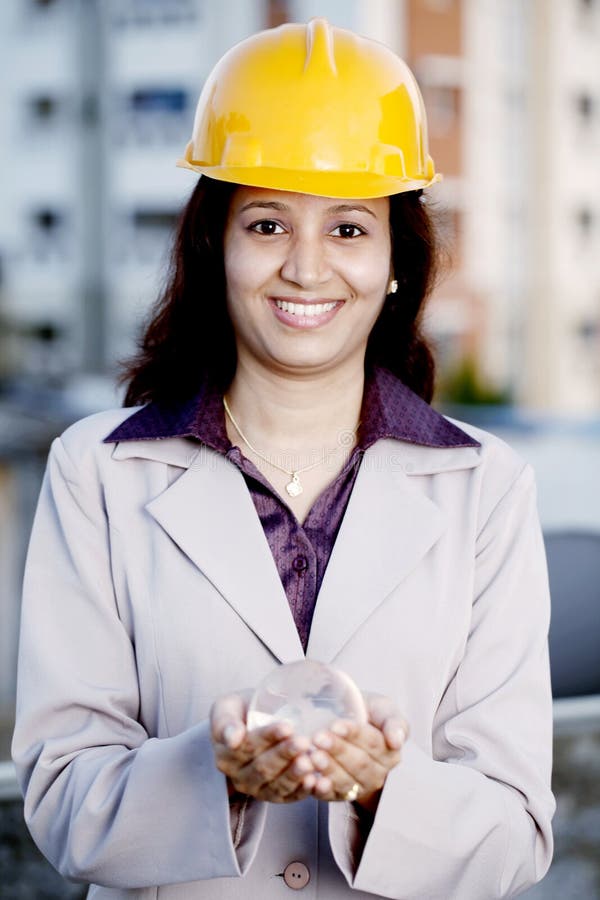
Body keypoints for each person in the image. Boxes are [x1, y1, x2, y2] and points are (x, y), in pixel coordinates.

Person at [12, 18, 554, 900]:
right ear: (215, 246)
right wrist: (218, 773)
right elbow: (62, 797)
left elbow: (518, 831)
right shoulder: (96, 475)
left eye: (347, 229)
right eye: (267, 224)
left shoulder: (487, 489)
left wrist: (381, 786)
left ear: (392, 264)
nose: (307, 269)